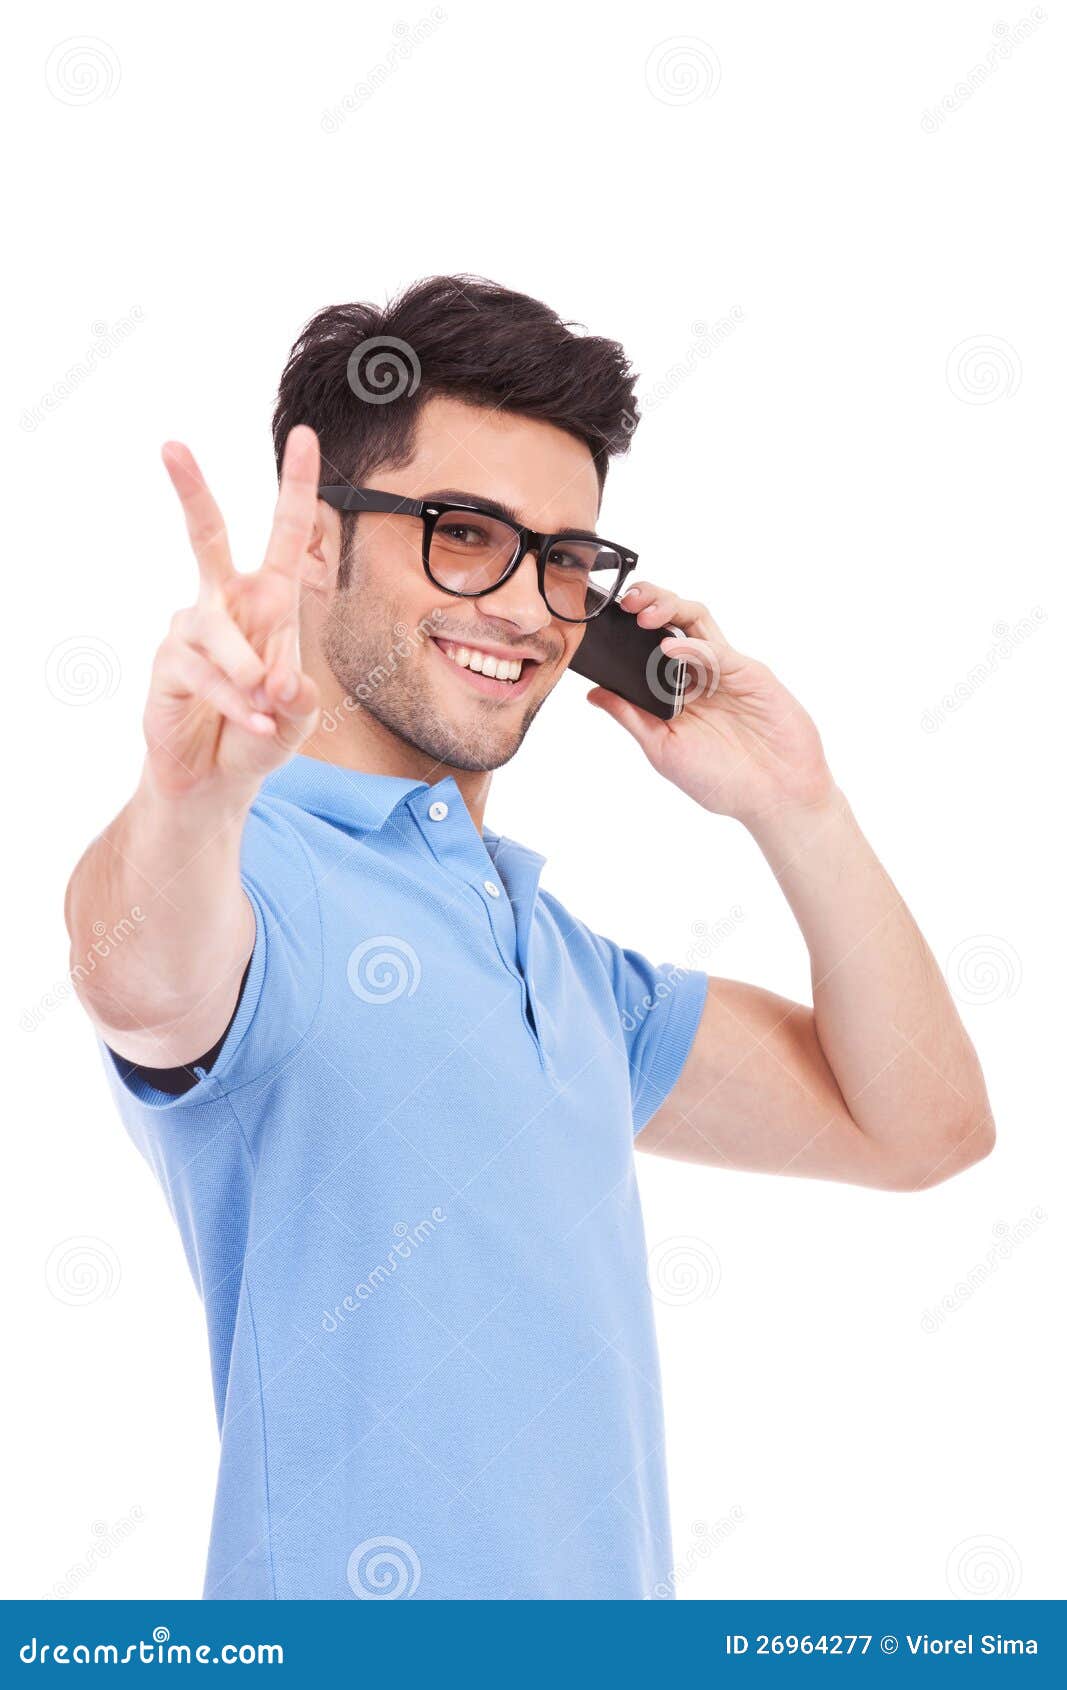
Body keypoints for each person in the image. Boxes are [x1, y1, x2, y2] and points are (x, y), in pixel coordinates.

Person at [64, 275, 994, 1601]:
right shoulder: (252, 881)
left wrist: (798, 806)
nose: (522, 606)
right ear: (317, 543)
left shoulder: (566, 965)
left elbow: (925, 1128)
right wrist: (185, 800)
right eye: (462, 534)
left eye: (563, 558)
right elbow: (137, 976)